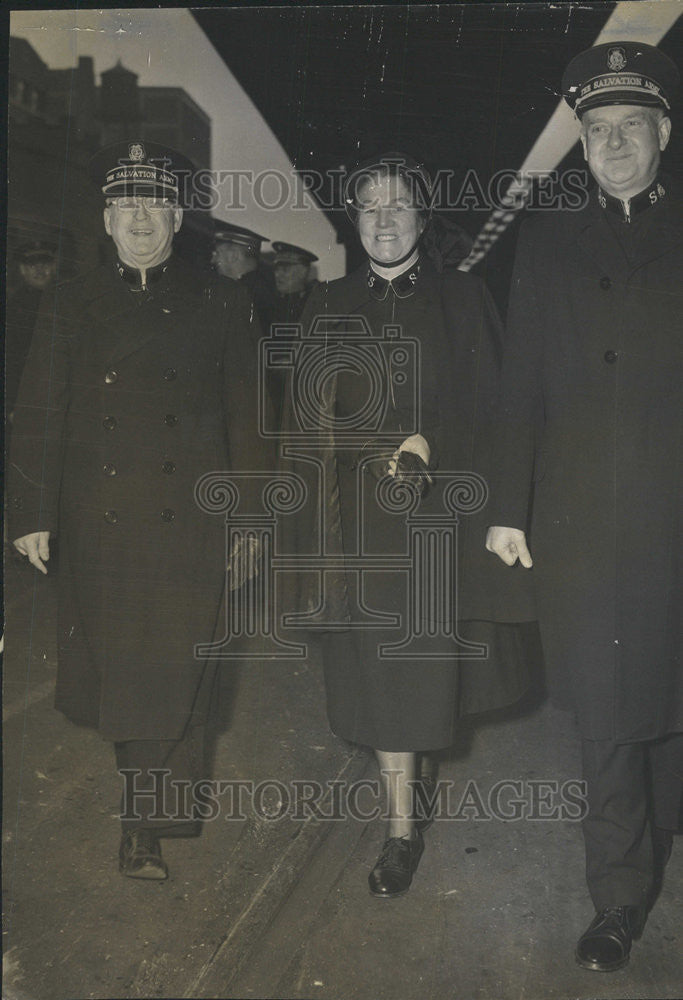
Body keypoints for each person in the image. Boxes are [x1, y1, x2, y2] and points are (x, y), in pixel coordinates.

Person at [8, 141, 269, 880]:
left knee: (177, 669)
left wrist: (251, 521)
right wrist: (30, 511)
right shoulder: (70, 301)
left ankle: (151, 819)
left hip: (192, 521)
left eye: (155, 205)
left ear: (178, 217)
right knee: (128, 672)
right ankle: (142, 823)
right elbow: (39, 412)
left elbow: (249, 423)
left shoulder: (223, 302)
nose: (141, 220)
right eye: (126, 207)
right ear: (106, 219)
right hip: (103, 520)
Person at [282, 152, 538, 897]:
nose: (385, 219)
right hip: (362, 529)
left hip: (442, 526)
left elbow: (499, 410)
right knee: (384, 683)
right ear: (354, 222)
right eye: (370, 207)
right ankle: (400, 832)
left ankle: (411, 791)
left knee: (425, 677)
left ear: (424, 219)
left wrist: (432, 445)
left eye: (398, 205)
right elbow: (305, 426)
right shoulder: (328, 303)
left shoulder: (464, 297)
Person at [486, 42, 682, 971]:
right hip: (585, 522)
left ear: (662, 134)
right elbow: (520, 381)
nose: (611, 145)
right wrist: (507, 505)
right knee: (606, 709)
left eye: (629, 127)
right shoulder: (548, 240)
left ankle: (661, 832)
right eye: (596, 130)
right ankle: (617, 896)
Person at [5, 239, 58, 417]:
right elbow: (11, 360)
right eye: (32, 265)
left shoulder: (67, 301)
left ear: (54, 266)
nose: (40, 270)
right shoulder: (14, 307)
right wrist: (11, 405)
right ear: (22, 269)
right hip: (27, 393)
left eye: (45, 264)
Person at [211, 220, 276, 333]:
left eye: (217, 254)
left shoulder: (242, 295)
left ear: (233, 255)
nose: (213, 260)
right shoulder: (260, 289)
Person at [271, 241, 318, 323]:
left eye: (285, 269)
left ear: (303, 271)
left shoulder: (314, 304)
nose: (277, 274)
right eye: (276, 269)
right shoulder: (269, 301)